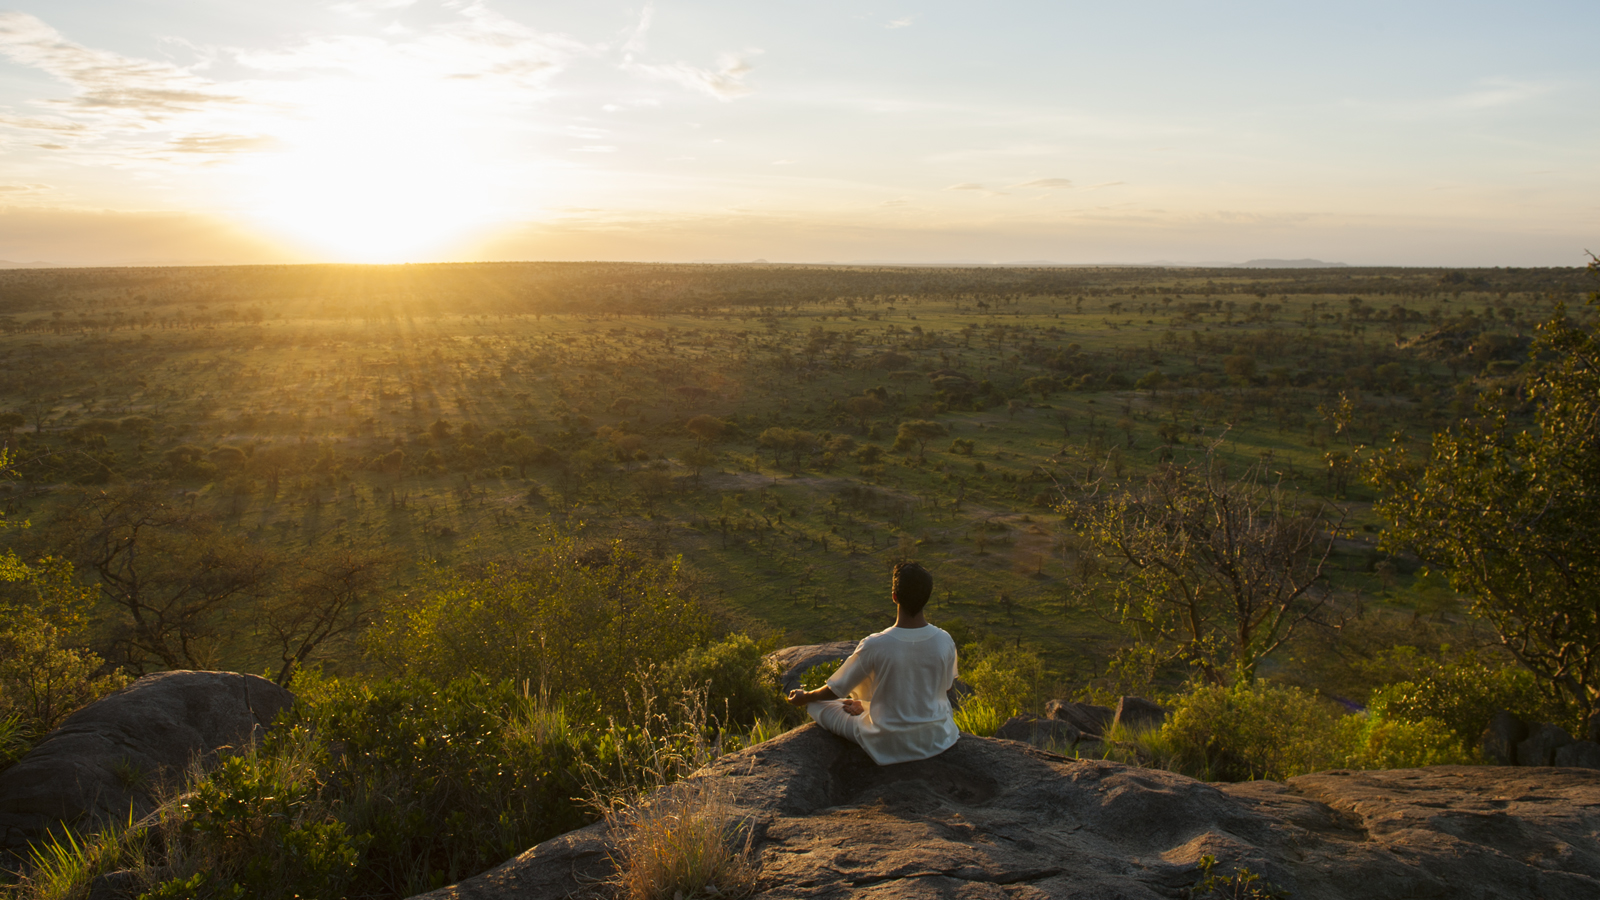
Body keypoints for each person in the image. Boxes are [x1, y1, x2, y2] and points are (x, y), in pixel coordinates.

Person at [786, 561, 960, 765]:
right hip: (938, 738)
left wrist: (806, 696)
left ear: (894, 597)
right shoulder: (944, 640)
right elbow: (945, 689)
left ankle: (867, 710)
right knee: (852, 703)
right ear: (927, 598)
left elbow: (836, 690)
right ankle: (868, 708)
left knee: (818, 706)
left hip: (887, 741)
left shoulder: (876, 644)